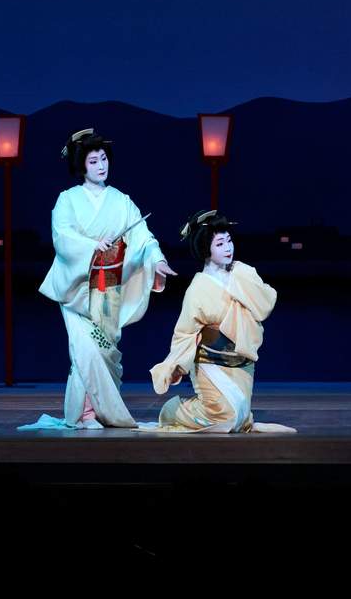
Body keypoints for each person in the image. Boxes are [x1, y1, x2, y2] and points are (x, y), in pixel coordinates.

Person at [19, 128, 176, 430]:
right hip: (78, 288)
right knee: (85, 350)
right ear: (81, 166)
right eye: (93, 161)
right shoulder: (67, 199)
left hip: (110, 288)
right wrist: (91, 245)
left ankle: (98, 411)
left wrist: (156, 259)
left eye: (104, 159)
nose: (101, 165)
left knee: (105, 350)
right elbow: (62, 235)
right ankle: (84, 414)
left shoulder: (120, 200)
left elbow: (142, 235)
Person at [147, 210, 294, 433]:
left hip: (242, 362)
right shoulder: (197, 289)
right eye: (220, 243)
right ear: (206, 248)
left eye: (229, 241)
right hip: (210, 363)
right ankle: (174, 410)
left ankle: (239, 417)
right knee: (223, 419)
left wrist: (239, 285)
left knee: (238, 420)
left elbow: (265, 301)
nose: (228, 248)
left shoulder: (242, 272)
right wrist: (173, 364)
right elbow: (185, 333)